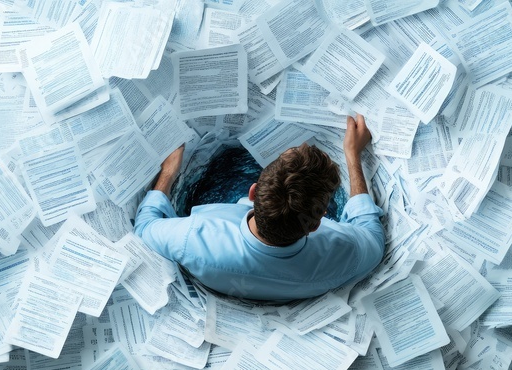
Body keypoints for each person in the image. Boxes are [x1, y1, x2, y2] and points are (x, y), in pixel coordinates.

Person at [134, 114, 385, 301]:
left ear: (252, 192)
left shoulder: (193, 237)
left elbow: (144, 228)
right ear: (316, 223)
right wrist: (353, 155)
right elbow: (372, 236)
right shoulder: (341, 255)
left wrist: (168, 173)